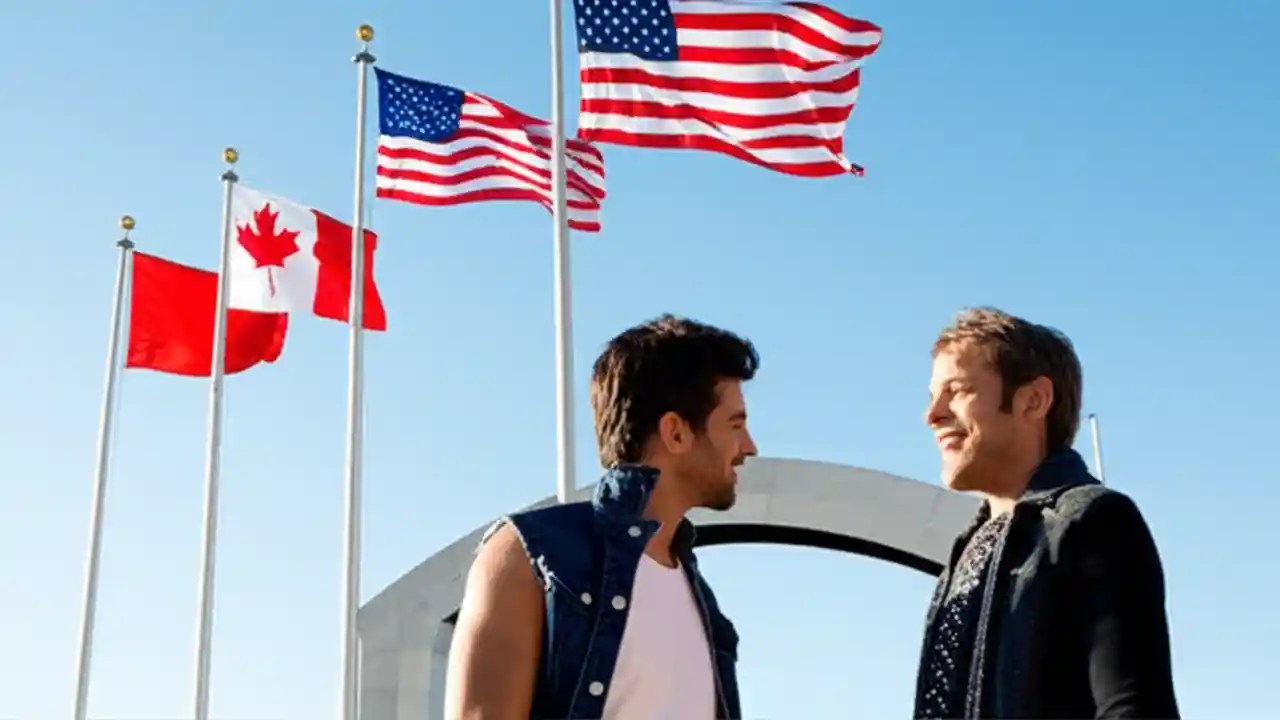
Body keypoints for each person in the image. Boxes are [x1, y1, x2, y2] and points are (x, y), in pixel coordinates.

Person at [444, 314, 759, 719]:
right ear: (676, 433)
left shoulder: (704, 605)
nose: (749, 447)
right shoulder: (531, 555)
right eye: (735, 425)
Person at [915, 307, 1179, 719]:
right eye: (933, 396)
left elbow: (1132, 708)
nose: (933, 415)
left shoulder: (1093, 521)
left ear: (1033, 400)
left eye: (957, 390)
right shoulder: (963, 556)